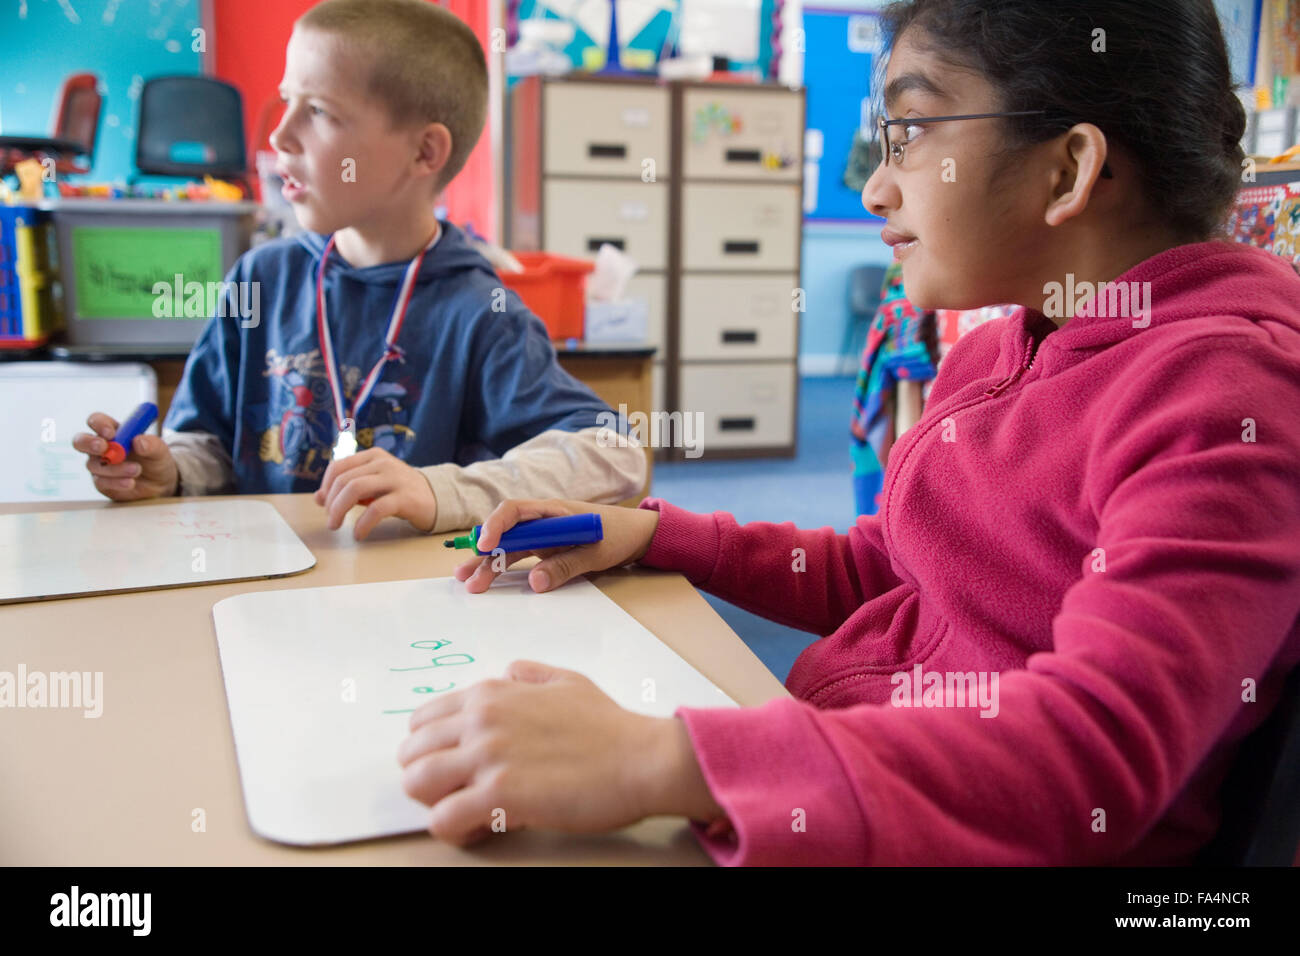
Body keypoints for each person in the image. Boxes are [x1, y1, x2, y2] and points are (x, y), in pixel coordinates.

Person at [396, 0, 1300, 864]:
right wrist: (659, 532)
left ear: (1066, 171)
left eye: (908, 136)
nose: (874, 188)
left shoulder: (1221, 400)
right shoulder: (1000, 351)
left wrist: (658, 764)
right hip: (845, 773)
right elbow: (899, 569)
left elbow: (1090, 760)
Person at [71, 0, 644, 540]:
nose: (279, 135)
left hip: (407, 610)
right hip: (263, 590)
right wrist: (169, 470)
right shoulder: (259, 279)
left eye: (318, 111)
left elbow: (614, 453)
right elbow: (208, 441)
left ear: (424, 153)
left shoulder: (478, 311)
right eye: (286, 99)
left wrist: (440, 489)